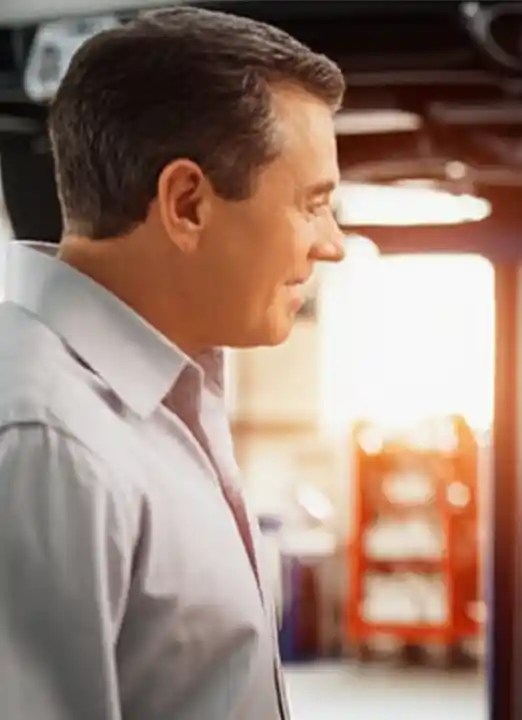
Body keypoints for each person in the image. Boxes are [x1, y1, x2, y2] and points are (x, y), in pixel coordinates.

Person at [0, 8, 345, 719]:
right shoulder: (49, 442)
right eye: (312, 207)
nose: (331, 244)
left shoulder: (162, 399)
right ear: (187, 203)